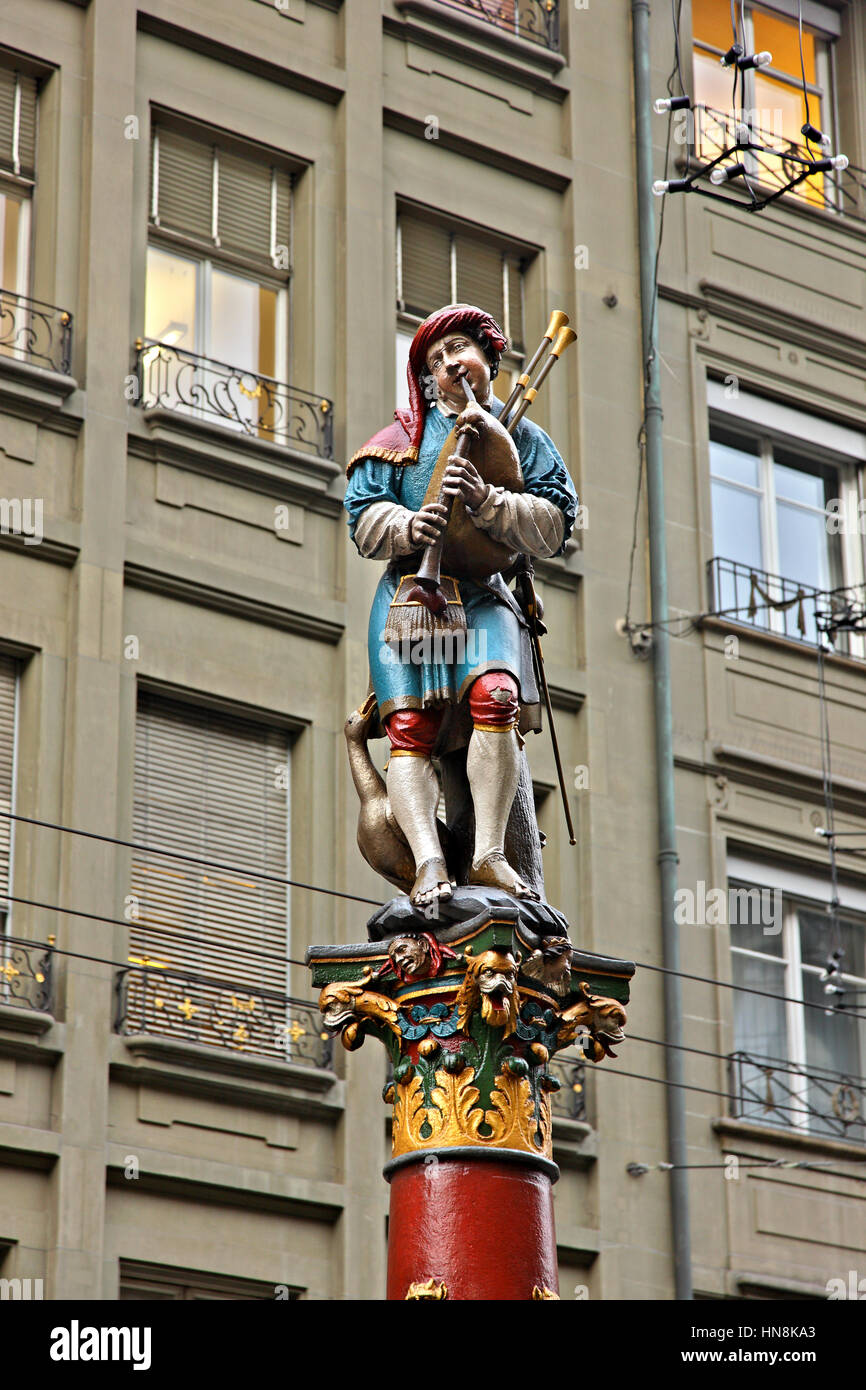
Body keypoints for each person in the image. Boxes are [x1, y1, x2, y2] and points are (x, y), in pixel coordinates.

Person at [344, 303, 577, 909]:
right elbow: (362, 515)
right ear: (425, 378)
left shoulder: (523, 436)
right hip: (417, 594)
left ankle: (489, 854)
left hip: (484, 593)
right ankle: (427, 862)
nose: (451, 364)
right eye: (436, 359)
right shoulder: (403, 439)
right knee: (411, 728)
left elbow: (555, 524)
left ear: (488, 359)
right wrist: (409, 525)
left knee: (495, 695)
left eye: (460, 350)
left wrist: (492, 501)